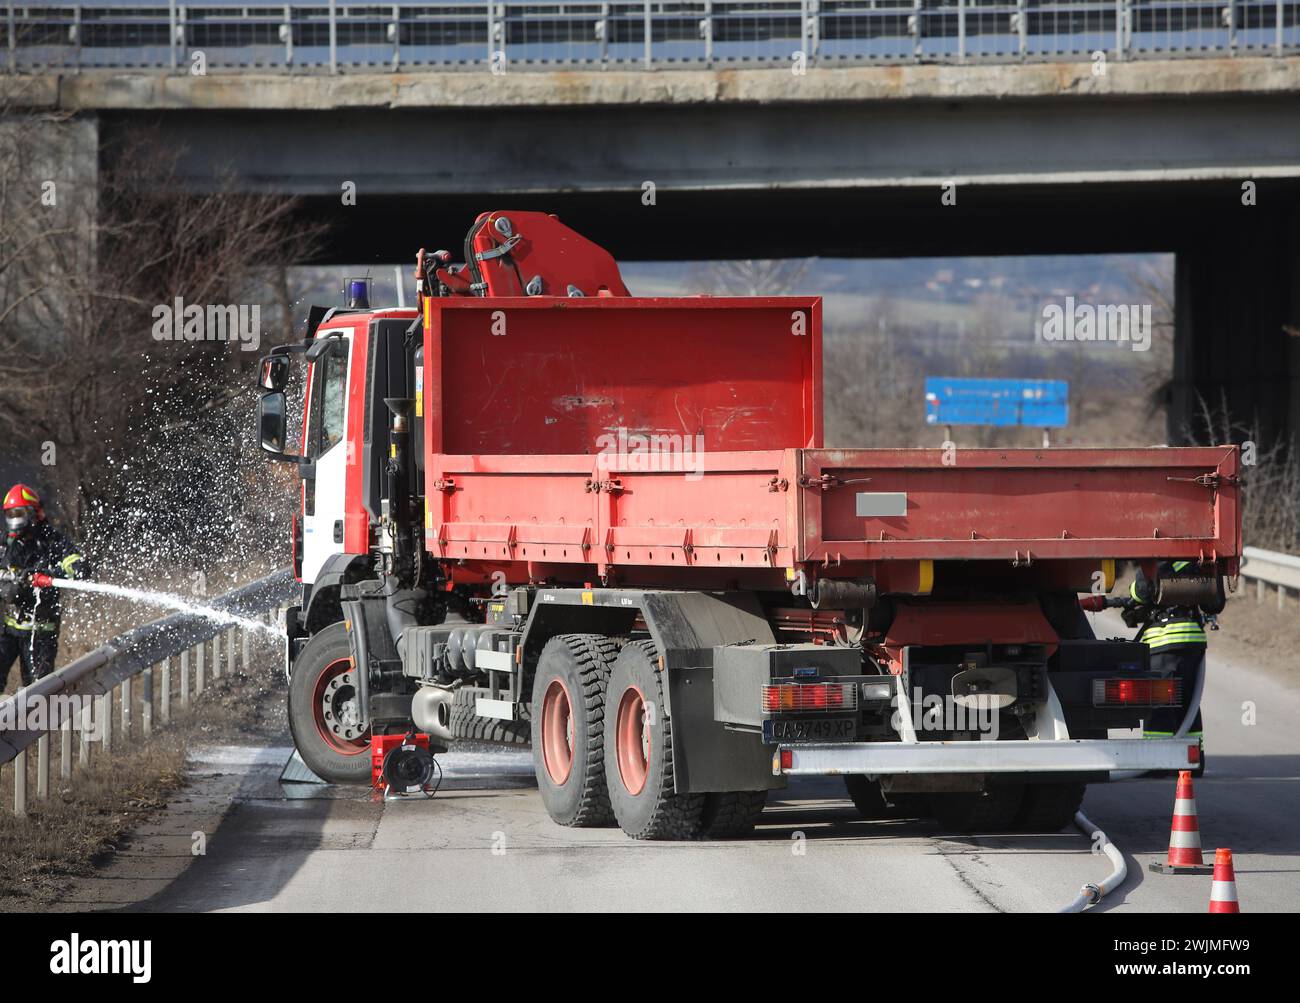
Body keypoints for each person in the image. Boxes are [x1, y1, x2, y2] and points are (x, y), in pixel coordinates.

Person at [1124, 559, 1223, 774]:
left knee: (1160, 703)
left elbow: (1141, 593)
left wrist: (1132, 592)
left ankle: (1157, 762)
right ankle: (1193, 762)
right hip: (1193, 642)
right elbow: (1215, 603)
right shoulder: (1198, 564)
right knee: (1189, 702)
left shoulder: (1156, 562)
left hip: (1164, 641)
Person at [0, 484, 85, 690]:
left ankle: (33, 722)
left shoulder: (52, 541)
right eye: (10, 514)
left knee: (37, 693)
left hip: (41, 633)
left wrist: (51, 574)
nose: (14, 520)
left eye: (19, 513)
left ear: (33, 513)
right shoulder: (6, 544)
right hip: (9, 632)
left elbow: (80, 567)